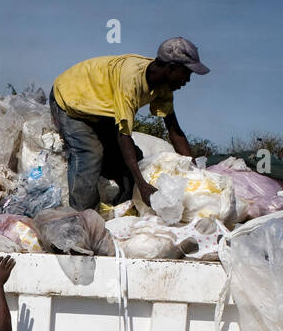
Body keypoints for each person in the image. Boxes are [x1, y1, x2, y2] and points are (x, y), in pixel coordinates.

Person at [50, 37, 209, 210]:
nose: (187, 80)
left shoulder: (164, 88)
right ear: (171, 68)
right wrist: (142, 186)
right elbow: (123, 134)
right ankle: (83, 217)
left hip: (100, 106)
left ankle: (122, 210)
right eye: (186, 74)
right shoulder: (131, 79)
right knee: (90, 153)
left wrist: (199, 176)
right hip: (72, 96)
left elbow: (175, 132)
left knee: (135, 161)